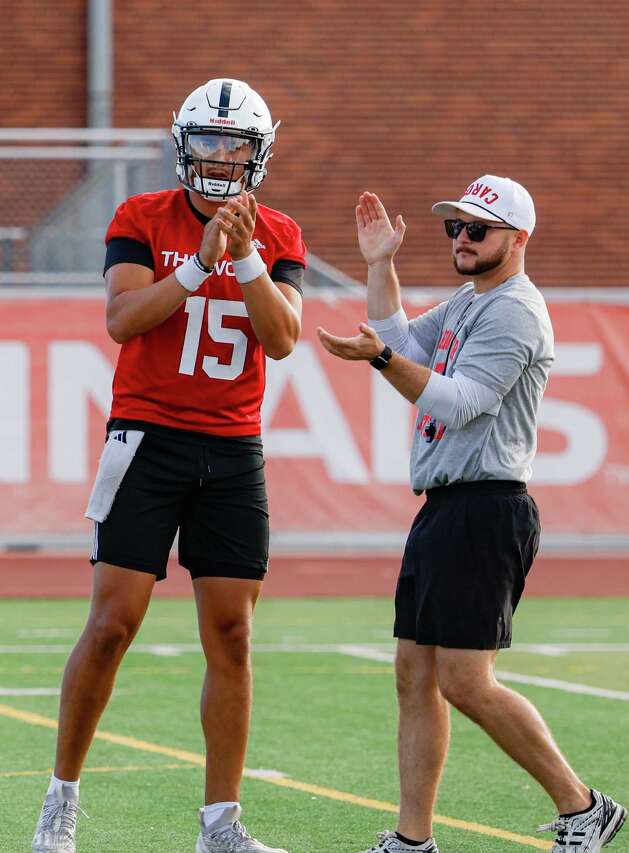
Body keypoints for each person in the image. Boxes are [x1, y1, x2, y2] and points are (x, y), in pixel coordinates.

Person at [32, 78, 304, 853]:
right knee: (113, 622)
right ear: (185, 146)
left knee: (233, 633)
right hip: (146, 438)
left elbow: (283, 339)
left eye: (236, 144)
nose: (222, 157)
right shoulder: (141, 216)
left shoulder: (278, 232)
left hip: (233, 444)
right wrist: (195, 267)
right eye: (211, 142)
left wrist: (245, 258)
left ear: (258, 153)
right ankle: (61, 799)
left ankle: (221, 823)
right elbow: (122, 318)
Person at [317, 176, 627, 853]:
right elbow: (401, 338)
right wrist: (380, 265)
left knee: (464, 679)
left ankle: (583, 806)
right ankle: (413, 837)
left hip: (487, 508)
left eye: (477, 228)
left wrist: (382, 357)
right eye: (454, 226)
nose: (461, 237)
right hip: (447, 505)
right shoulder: (469, 298)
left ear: (518, 239)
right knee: (414, 671)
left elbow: (455, 401)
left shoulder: (516, 310)